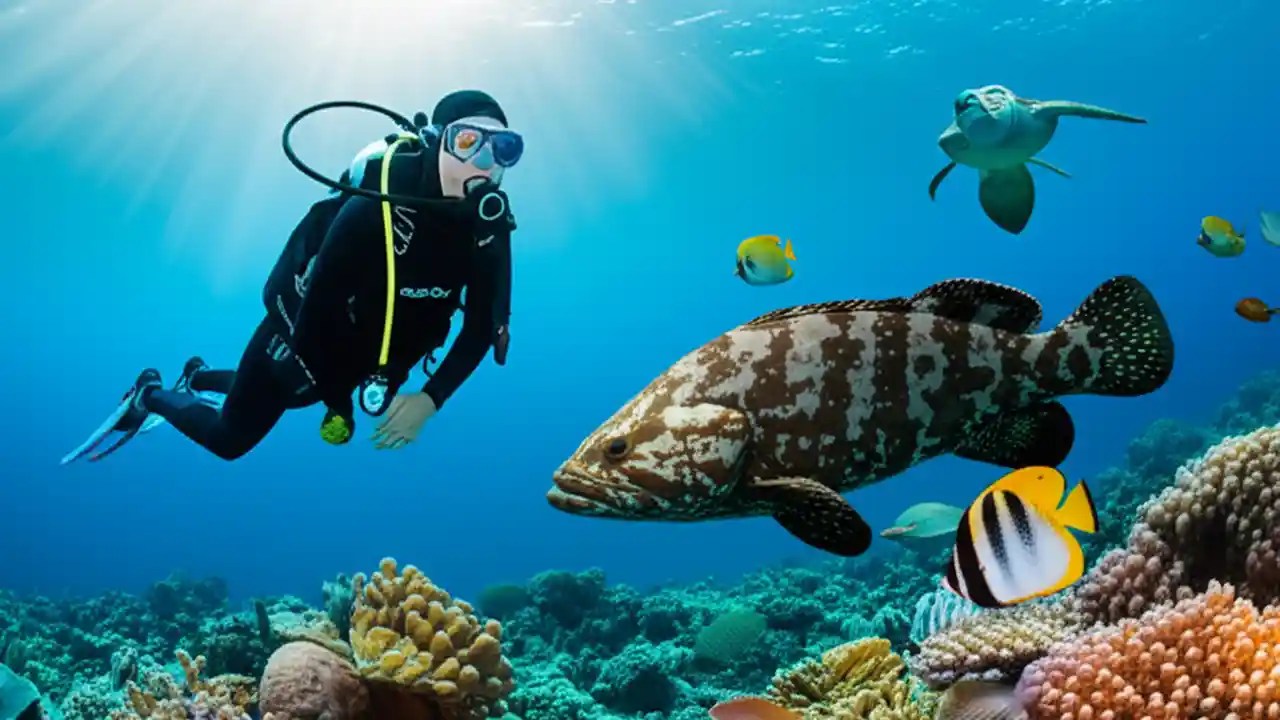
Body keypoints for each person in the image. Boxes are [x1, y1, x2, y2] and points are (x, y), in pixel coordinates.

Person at [85, 90, 523, 461]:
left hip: (368, 350)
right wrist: (341, 407)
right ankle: (149, 393)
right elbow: (316, 309)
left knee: (296, 397)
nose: (485, 162)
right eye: (467, 141)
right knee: (232, 438)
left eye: (503, 147)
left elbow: (483, 325)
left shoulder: (489, 227)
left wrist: (430, 400)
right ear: (434, 143)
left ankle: (196, 377)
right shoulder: (375, 206)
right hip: (299, 335)